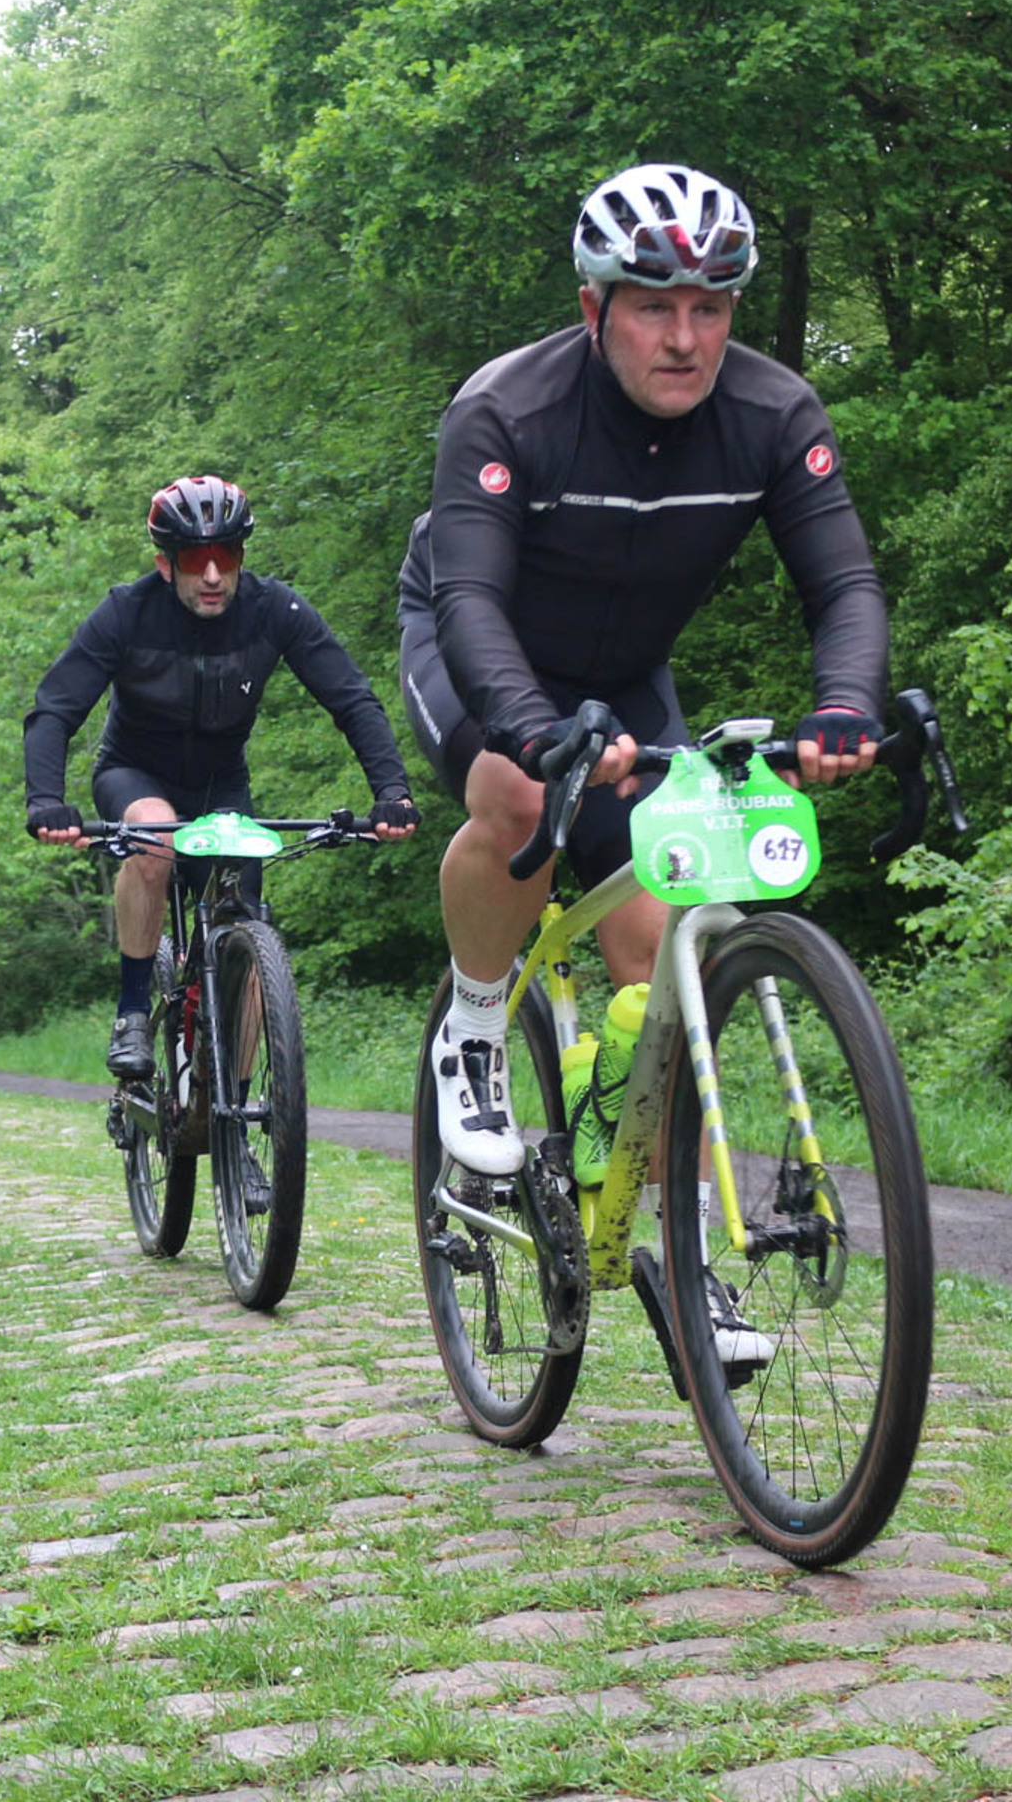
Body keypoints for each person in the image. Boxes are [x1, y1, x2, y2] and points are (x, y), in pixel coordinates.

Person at [402, 162, 889, 1371]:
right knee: (517, 794)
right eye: (653, 307)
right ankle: (472, 1024)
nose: (685, 338)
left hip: (628, 683)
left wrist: (843, 707)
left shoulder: (777, 415)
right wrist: (529, 724)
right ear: (592, 308)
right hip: (478, 648)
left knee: (657, 968)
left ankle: (674, 1248)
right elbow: (469, 593)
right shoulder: (505, 410)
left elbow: (843, 584)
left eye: (712, 308)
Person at [26, 474, 418, 1077]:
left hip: (221, 787)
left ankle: (241, 1111)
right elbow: (55, 709)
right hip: (134, 773)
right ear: (166, 564)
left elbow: (353, 700)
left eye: (226, 555)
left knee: (247, 930)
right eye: (195, 558)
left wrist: (391, 791)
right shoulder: (125, 614)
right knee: (154, 839)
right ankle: (133, 1010)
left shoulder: (275, 610)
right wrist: (47, 800)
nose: (213, 575)